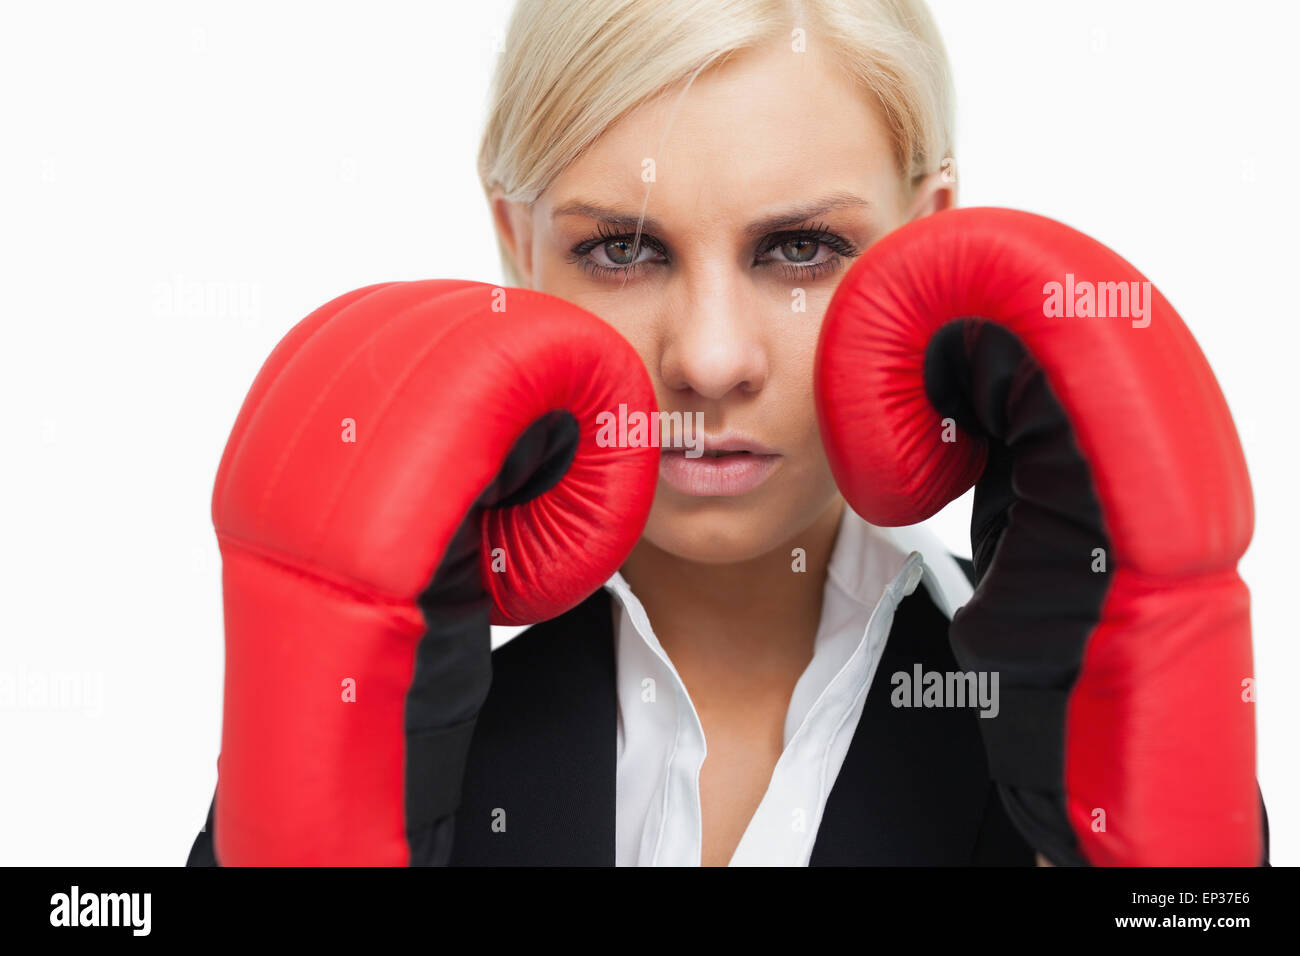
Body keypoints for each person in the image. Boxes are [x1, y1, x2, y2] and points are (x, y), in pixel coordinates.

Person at [188, 0, 1269, 867]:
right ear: (516, 241)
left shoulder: (1071, 754)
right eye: (621, 250)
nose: (708, 358)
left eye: (798, 248)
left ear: (929, 242)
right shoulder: (405, 747)